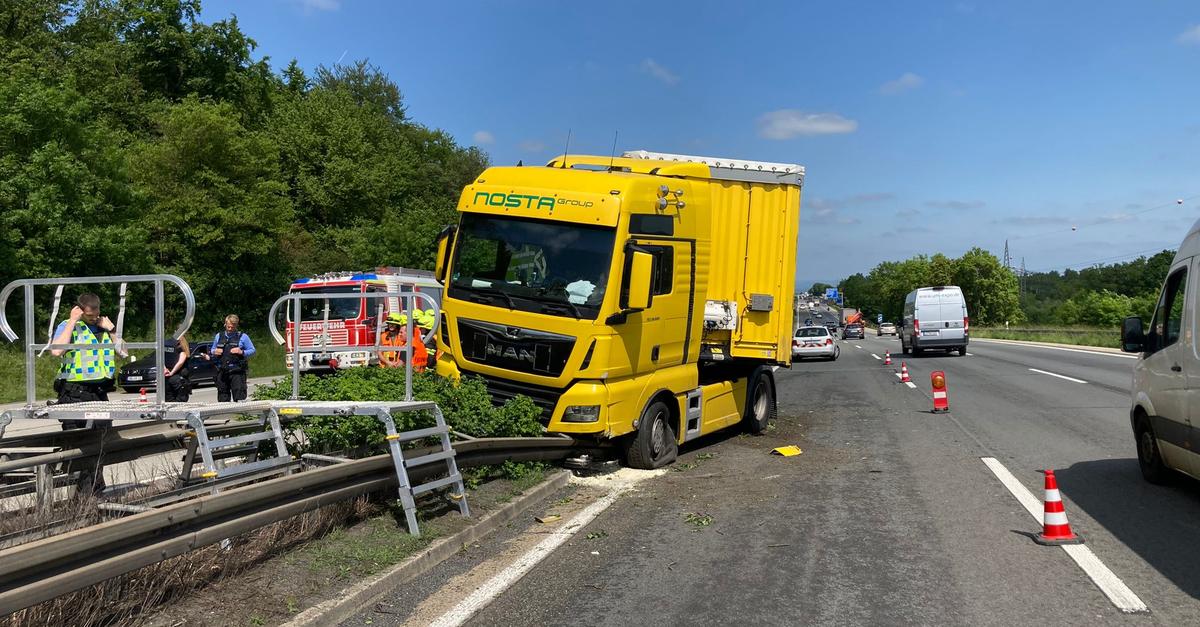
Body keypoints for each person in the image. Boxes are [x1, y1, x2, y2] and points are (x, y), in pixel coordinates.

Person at [50, 293, 116, 495]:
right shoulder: (68, 325)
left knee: (101, 443)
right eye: (89, 316)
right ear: (79, 310)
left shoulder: (103, 327)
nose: (93, 319)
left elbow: (123, 350)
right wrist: (72, 321)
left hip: (98, 394)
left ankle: (93, 493)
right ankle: (83, 497)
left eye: (95, 315)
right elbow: (56, 351)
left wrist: (112, 330)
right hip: (74, 394)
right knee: (78, 446)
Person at [209, 315, 255, 402]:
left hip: (237, 371)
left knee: (239, 397)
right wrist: (214, 352)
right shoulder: (219, 336)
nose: (230, 328)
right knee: (223, 398)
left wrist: (242, 352)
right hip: (222, 371)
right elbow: (212, 350)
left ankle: (241, 414)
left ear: (236, 325)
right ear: (225, 324)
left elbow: (252, 350)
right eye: (228, 326)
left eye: (232, 326)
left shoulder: (243, 336)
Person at [163, 333, 191, 402]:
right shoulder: (181, 348)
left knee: (168, 402)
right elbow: (180, 362)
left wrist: (165, 369)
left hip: (167, 378)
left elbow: (161, 358)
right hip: (178, 379)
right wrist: (171, 372)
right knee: (180, 403)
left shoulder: (167, 346)